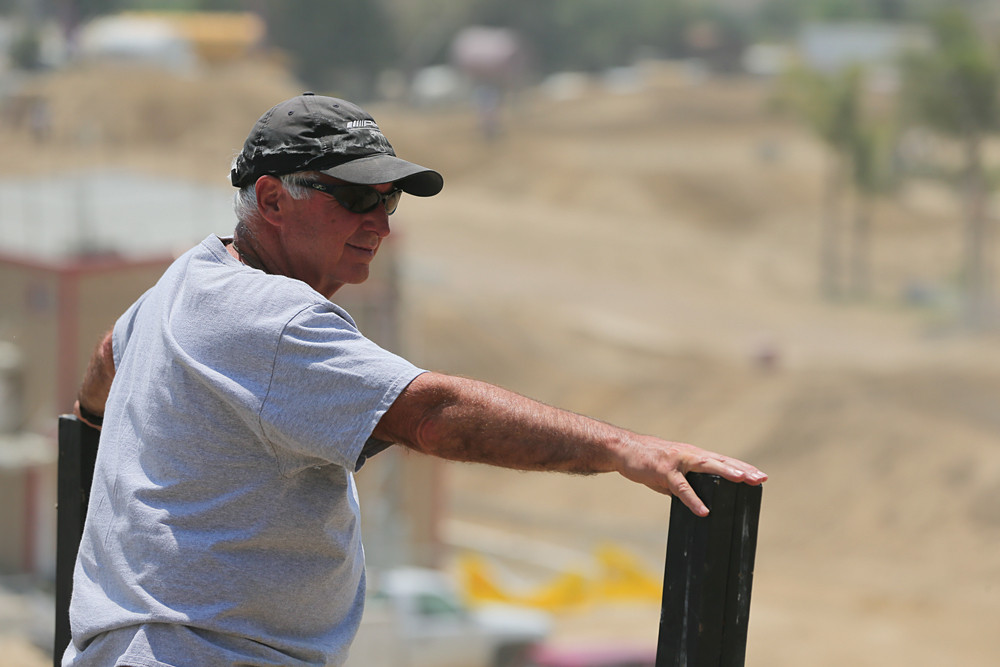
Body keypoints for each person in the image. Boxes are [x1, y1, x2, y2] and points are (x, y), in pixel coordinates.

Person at [66, 93, 767, 667]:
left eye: (388, 203)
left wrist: (95, 427)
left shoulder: (182, 285)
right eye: (354, 199)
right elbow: (433, 414)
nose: (380, 225)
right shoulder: (272, 315)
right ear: (273, 200)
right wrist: (624, 449)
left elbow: (105, 360)